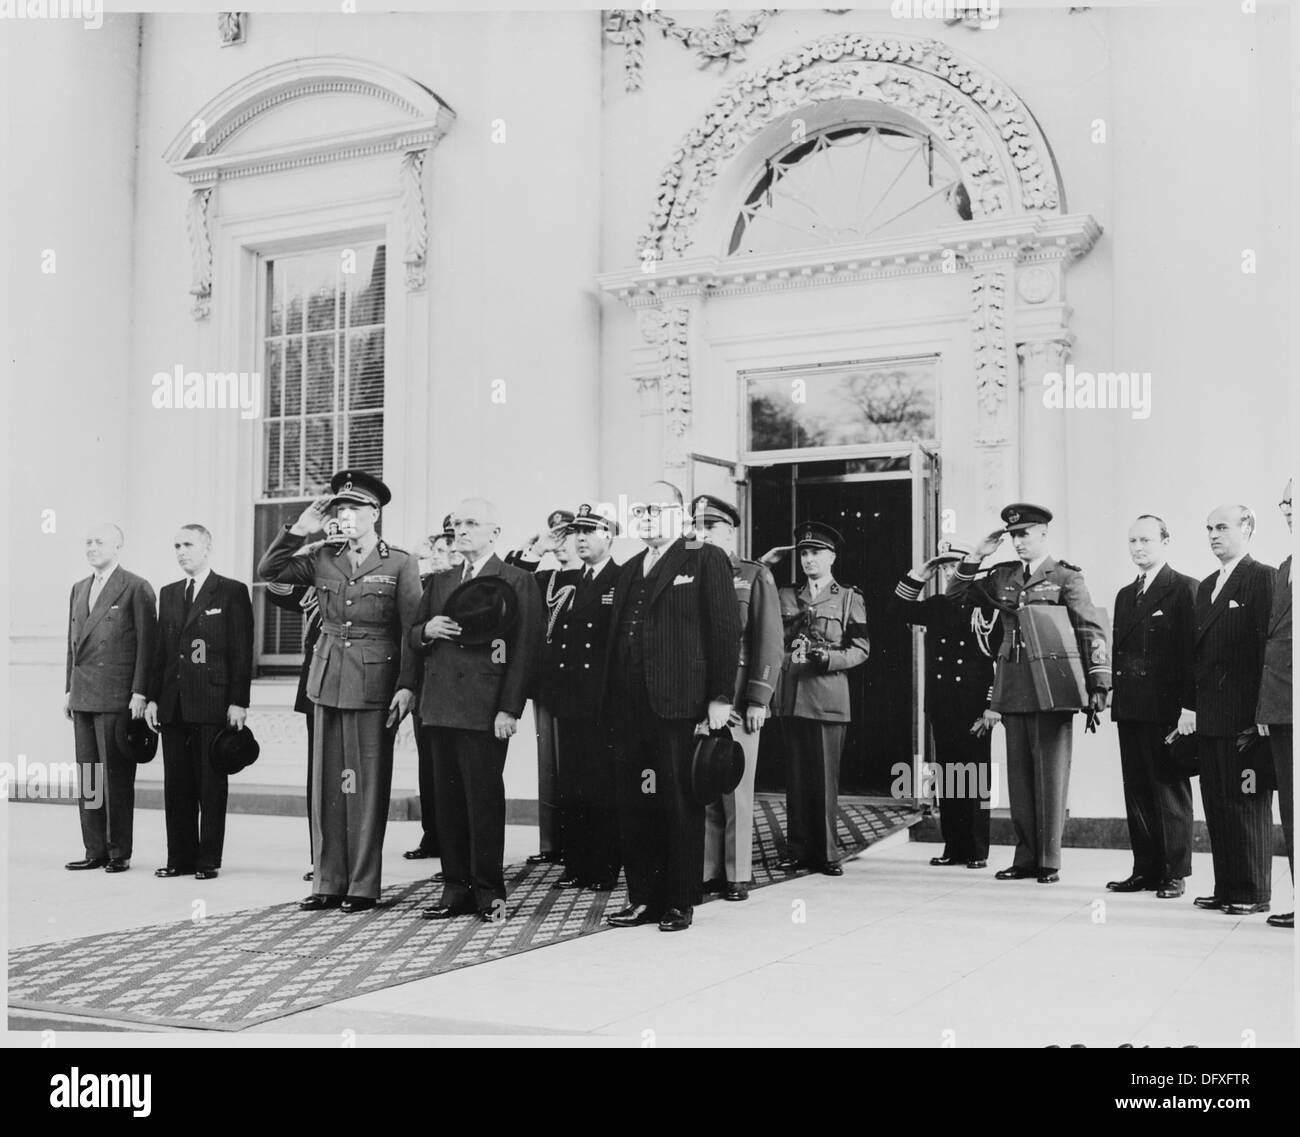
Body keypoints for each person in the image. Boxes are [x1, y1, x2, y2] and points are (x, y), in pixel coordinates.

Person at [258, 470, 421, 913]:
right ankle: (328, 880)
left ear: (375, 514)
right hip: (327, 678)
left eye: (354, 509)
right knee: (327, 784)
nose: (345, 516)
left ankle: (363, 885)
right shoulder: (321, 557)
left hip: (374, 682)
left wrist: (407, 686)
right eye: (339, 509)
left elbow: (410, 629)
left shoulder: (399, 563)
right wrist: (298, 529)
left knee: (365, 787)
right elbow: (268, 571)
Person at [947, 504, 1110, 884]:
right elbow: (956, 594)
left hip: (1054, 684)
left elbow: (1091, 630)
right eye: (1014, 535)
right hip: (1015, 684)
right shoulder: (1001, 575)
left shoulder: (1066, 577)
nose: (1019, 541)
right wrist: (977, 555)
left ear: (1043, 534)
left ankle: (1049, 859)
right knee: (1019, 776)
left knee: (1050, 775)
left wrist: (1099, 683)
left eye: (1026, 534)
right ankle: (1025, 857)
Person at [604, 480, 740, 932]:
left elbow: (724, 631)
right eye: (639, 509)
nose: (645, 516)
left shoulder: (704, 558)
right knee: (636, 802)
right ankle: (643, 897)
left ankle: (680, 900)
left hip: (679, 705)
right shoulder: (628, 568)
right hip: (631, 706)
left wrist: (721, 696)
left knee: (679, 802)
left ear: (681, 516)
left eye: (655, 509)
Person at [414, 498, 543, 922]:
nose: (461, 530)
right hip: (439, 706)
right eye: (456, 524)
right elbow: (412, 633)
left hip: (485, 709)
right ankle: (455, 889)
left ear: (494, 532)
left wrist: (510, 709)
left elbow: (525, 649)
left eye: (471, 523)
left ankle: (490, 891)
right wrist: (425, 631)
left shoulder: (517, 580)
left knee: (483, 801)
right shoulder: (439, 580)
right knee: (447, 802)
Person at [1180, 504, 1276, 917]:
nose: (1214, 535)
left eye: (1222, 527)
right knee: (1217, 803)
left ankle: (1253, 891)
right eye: (1209, 529)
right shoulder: (1207, 586)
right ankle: (1226, 886)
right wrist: (1192, 707)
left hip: (1245, 719)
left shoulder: (1262, 577)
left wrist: (1262, 714)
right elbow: (1198, 656)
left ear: (1248, 528)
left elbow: (1265, 651)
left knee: (1246, 803)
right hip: (1212, 717)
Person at [145, 525, 253, 881]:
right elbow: (161, 652)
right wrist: (151, 698)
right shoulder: (169, 593)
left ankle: (207, 860)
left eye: (188, 544)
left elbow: (241, 651)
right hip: (173, 704)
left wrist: (238, 701)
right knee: (176, 787)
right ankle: (179, 857)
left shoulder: (231, 591)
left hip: (212, 702)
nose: (181, 551)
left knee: (210, 786)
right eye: (176, 545)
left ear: (207, 547)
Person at [692, 494, 783, 901]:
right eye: (697, 527)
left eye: (710, 527)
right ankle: (709, 870)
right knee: (703, 782)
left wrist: (759, 698)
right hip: (699, 696)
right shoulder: (689, 572)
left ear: (730, 531)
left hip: (740, 695)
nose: (701, 534)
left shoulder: (752, 574)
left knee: (736, 787)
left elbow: (768, 639)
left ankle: (737, 872)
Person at [890, 538, 1001, 870]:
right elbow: (896, 611)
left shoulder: (988, 606)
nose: (953, 573)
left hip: (974, 705)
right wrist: (919, 574)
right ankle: (953, 845)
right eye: (947, 567)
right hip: (942, 704)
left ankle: (977, 849)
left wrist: (991, 704)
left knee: (976, 775)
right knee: (949, 774)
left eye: (958, 566)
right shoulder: (937, 604)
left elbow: (1001, 660)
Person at [1105, 515, 1198, 899]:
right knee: (1137, 791)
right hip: (1130, 709)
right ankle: (1144, 868)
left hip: (1166, 712)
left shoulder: (1184, 589)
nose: (1138, 548)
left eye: (1145, 540)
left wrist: (1189, 708)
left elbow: (1192, 657)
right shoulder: (1126, 595)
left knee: (1169, 792)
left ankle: (1174, 872)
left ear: (1165, 541)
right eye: (1132, 541)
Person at [772, 522, 870, 877]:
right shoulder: (784, 595)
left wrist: (829, 659)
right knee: (796, 780)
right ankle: (798, 850)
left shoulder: (847, 597)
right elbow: (774, 641)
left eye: (816, 552)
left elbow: (861, 649)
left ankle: (827, 851)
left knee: (825, 779)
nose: (809, 559)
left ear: (832, 557)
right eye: (804, 553)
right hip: (793, 693)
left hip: (828, 695)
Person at [64, 523, 157, 873]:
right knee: (88, 774)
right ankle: (94, 849)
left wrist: (140, 692)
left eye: (99, 541)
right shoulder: (78, 588)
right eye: (87, 541)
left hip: (118, 695)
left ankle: (119, 851)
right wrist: (69, 688)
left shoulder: (135, 587)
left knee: (115, 778)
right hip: (83, 693)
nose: (92, 547)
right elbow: (72, 644)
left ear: (118, 546)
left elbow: (148, 645)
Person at [544, 502, 623, 891]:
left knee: (600, 784)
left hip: (604, 701)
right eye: (576, 533)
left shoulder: (622, 579)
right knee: (571, 784)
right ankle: (575, 863)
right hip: (571, 698)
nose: (580, 539)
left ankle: (603, 866)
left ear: (609, 536)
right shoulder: (569, 580)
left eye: (589, 532)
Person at [506, 508, 579, 866]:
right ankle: (552, 843)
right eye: (556, 536)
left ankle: (579, 842)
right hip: (546, 684)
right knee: (548, 765)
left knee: (577, 766)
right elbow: (509, 583)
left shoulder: (591, 576)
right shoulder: (544, 578)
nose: (562, 544)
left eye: (569, 536)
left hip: (580, 686)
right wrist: (534, 552)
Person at [265, 577, 323, 881]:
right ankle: (322, 859)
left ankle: (355, 862)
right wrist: (297, 534)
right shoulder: (312, 584)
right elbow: (274, 577)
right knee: (318, 779)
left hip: (356, 690)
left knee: (351, 781)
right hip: (316, 691)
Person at [1257, 480, 1292, 928]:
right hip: (1284, 707)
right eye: (1284, 501)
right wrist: (1266, 708)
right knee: (1293, 810)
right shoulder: (1286, 566)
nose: (1287, 508)